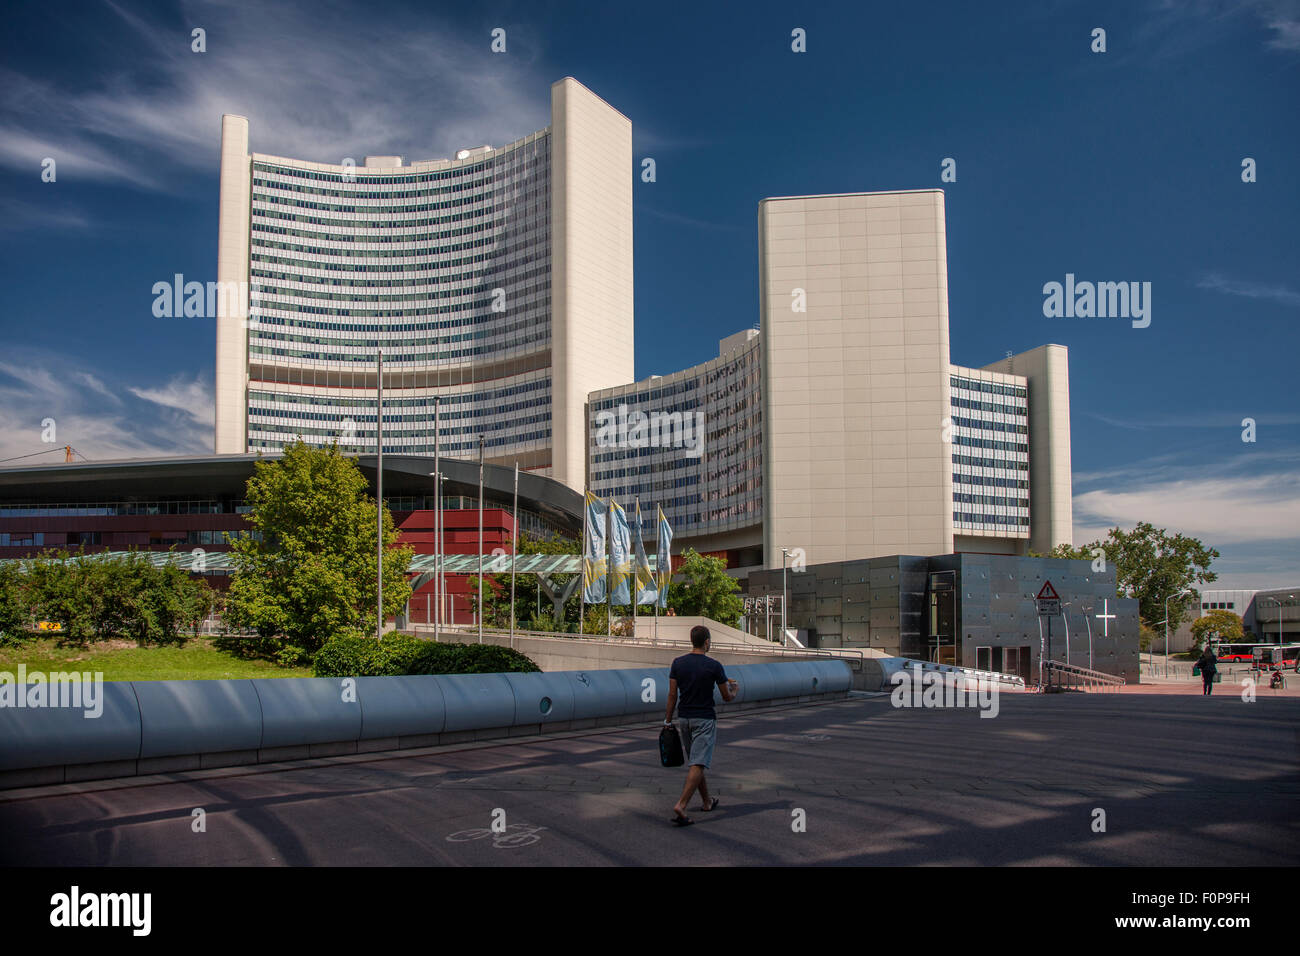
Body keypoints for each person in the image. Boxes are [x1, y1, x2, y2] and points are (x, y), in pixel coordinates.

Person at [665, 625, 738, 826]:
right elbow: (726, 696)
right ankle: (681, 804)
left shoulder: (678, 663)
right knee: (698, 763)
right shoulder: (714, 666)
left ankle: (707, 801)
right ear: (706, 642)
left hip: (685, 719)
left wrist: (668, 720)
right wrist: (734, 691)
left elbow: (672, 695)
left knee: (697, 761)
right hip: (704, 719)